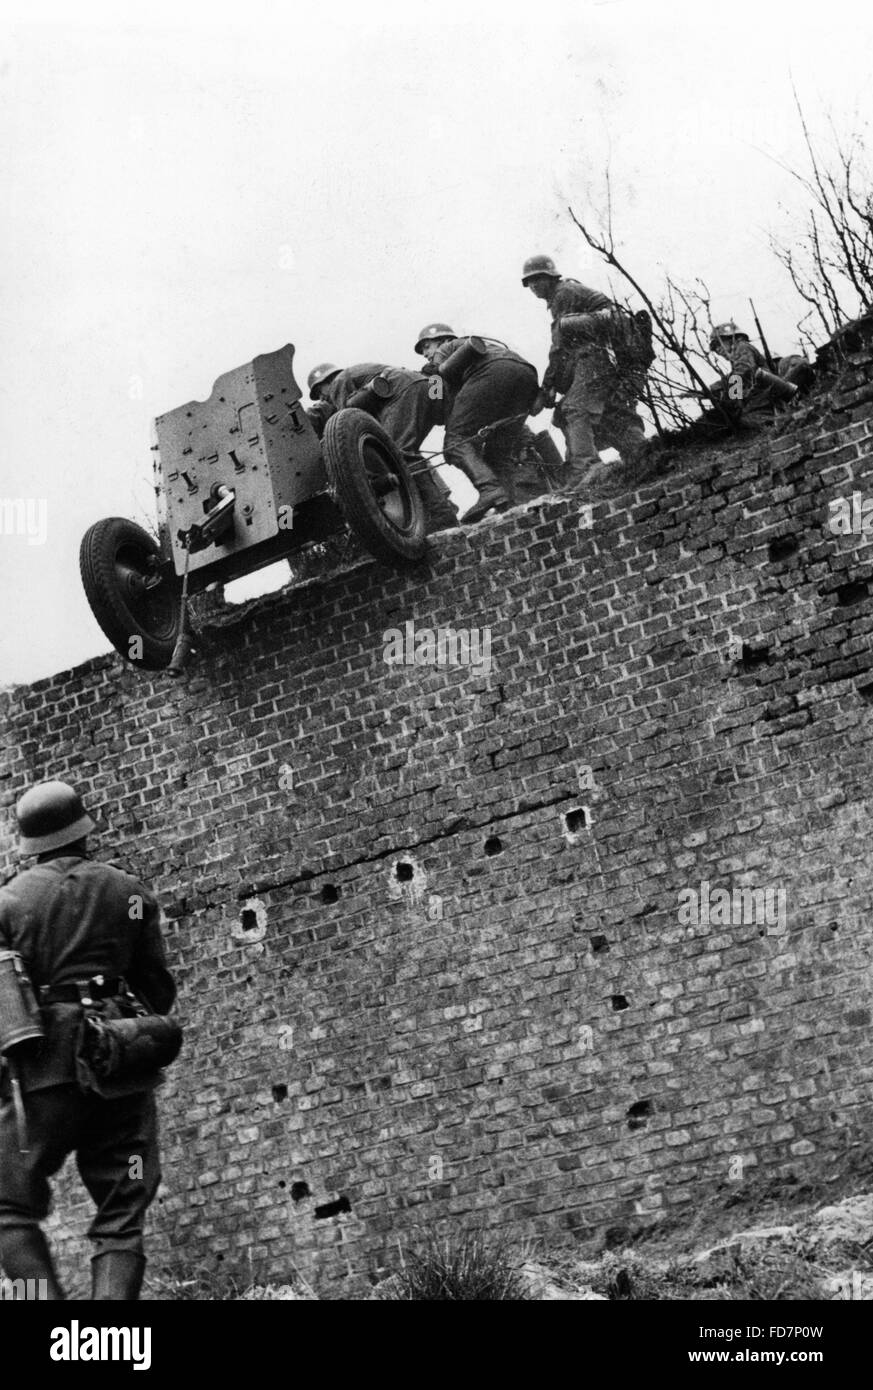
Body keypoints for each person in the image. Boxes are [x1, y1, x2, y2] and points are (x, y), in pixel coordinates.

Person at [0, 780, 176, 1301]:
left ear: (29, 843)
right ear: (84, 829)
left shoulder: (7, 905)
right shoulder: (132, 895)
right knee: (123, 1212)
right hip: (122, 1066)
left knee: (7, 1209)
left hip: (42, 1076)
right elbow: (158, 991)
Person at [522, 254, 649, 489]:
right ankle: (641, 451)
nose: (533, 287)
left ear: (550, 277)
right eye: (529, 283)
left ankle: (586, 467)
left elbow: (559, 347)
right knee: (608, 412)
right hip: (612, 359)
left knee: (575, 408)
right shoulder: (566, 294)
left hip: (597, 357)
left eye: (537, 279)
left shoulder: (564, 294)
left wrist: (546, 388)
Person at [413, 323, 542, 522]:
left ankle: (489, 490)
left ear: (444, 340)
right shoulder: (476, 349)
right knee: (498, 453)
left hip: (491, 373)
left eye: (427, 346)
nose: (426, 353)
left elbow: (436, 394)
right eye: (423, 352)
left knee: (455, 441)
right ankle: (510, 506)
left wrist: (427, 377)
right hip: (525, 373)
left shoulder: (448, 349)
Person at [306, 361, 457, 531]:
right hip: (427, 386)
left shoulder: (339, 381)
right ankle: (445, 506)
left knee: (396, 455)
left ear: (327, 382)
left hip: (405, 391)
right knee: (408, 451)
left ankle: (442, 513)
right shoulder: (358, 376)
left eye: (320, 392)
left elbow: (346, 423)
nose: (322, 398)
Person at [708, 322, 814, 417]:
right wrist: (713, 389)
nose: (718, 349)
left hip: (778, 386)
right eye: (714, 348)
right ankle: (785, 401)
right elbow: (735, 376)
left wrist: (735, 399)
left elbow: (744, 371)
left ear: (733, 338)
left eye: (719, 343)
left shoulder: (742, 346)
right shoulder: (737, 361)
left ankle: (788, 398)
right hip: (772, 391)